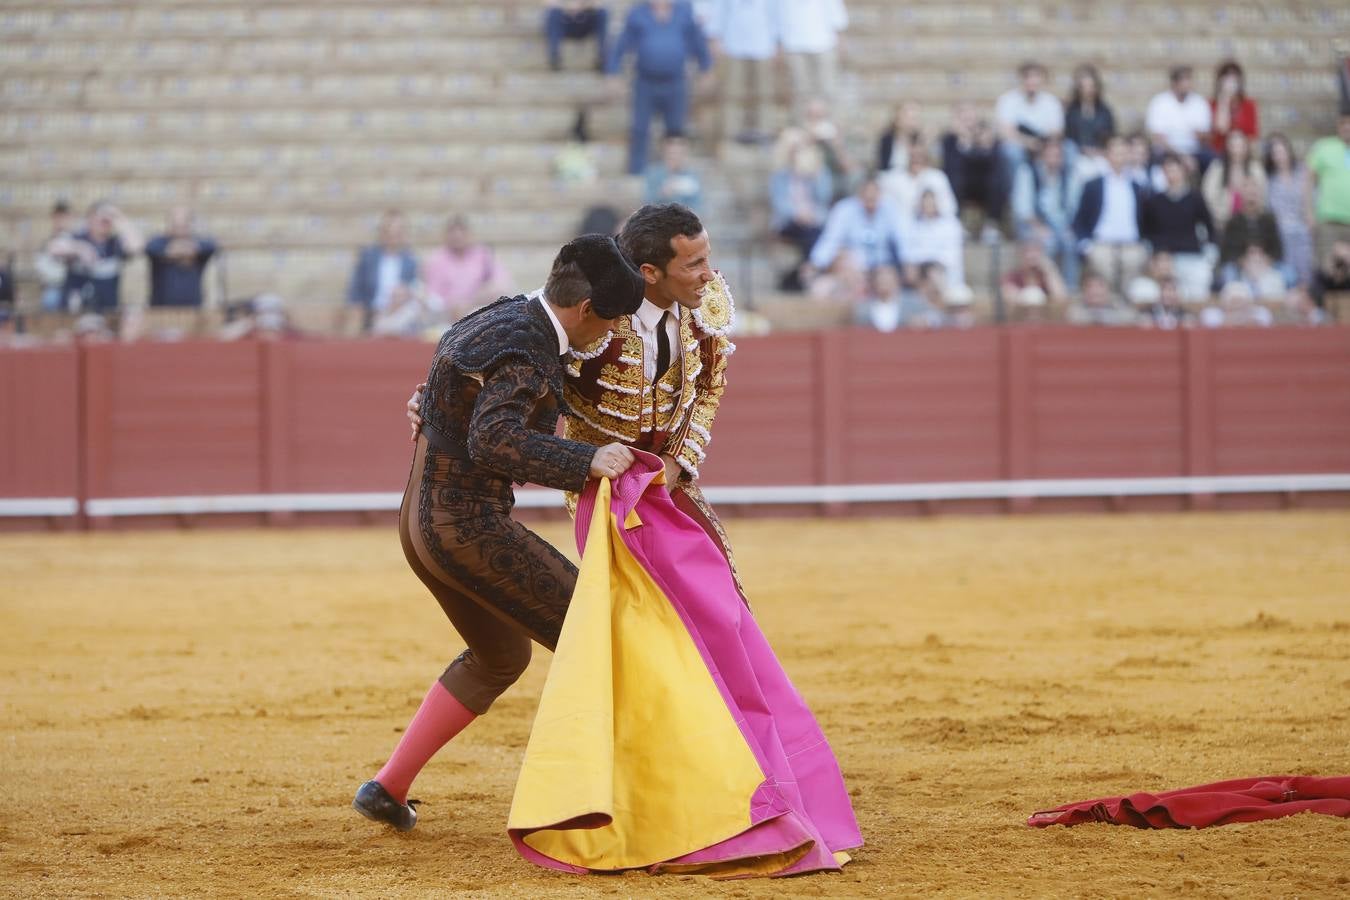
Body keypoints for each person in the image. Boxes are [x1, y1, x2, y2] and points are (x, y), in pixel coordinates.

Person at [353, 235, 647, 831]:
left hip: (420, 522)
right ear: (586, 309)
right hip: (466, 524)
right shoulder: (529, 347)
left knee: (500, 656)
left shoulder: (501, 313)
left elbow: (445, 373)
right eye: (612, 320)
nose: (613, 335)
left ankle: (388, 787)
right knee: (601, 633)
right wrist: (585, 459)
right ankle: (596, 802)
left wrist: (426, 401)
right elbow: (495, 440)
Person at [606, 0, 712, 175]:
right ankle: (637, 174)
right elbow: (622, 43)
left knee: (676, 130)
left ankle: (676, 175)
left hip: (675, 81)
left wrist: (706, 68)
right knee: (640, 129)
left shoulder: (684, 12)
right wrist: (613, 71)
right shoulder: (638, 13)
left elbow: (697, 41)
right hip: (645, 81)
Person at [805, 175, 905, 298]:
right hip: (854, 267)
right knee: (825, 285)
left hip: (882, 265)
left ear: (880, 194)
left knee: (887, 279)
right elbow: (831, 239)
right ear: (859, 194)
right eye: (866, 194)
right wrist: (816, 263)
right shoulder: (844, 209)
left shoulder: (890, 209)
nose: (870, 198)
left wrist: (908, 263)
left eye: (873, 194)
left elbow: (903, 239)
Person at [1072, 136, 1148, 295]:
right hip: (1101, 244)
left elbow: (1147, 219)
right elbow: (1080, 218)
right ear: (1107, 155)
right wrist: (1086, 245)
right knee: (1104, 284)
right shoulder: (1093, 185)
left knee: (1132, 287)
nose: (1120, 157)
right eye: (1116, 152)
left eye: (1123, 152)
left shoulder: (1138, 186)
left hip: (1131, 245)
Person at [1142, 152, 1217, 301]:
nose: (1171, 175)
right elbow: (1147, 231)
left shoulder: (1195, 198)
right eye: (1167, 170)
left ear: (1183, 171)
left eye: (1175, 170)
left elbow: (1209, 227)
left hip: (1191, 255)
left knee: (1199, 288)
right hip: (1164, 259)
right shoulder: (1154, 201)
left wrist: (1210, 250)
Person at [1011, 136, 1083, 288]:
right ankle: (1044, 288)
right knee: (1046, 243)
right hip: (1033, 224)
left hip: (1061, 224)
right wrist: (1039, 227)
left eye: (1057, 156)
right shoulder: (1028, 172)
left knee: (1071, 243)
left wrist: (1068, 227)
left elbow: (1074, 206)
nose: (1054, 159)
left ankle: (1070, 289)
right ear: (1042, 156)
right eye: (1050, 155)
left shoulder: (1069, 174)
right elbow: (1023, 209)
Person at [704, 0, 777, 144]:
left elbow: (774, 14)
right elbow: (720, 11)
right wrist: (715, 38)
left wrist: (777, 42)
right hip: (734, 46)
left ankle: (764, 134)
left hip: (763, 45)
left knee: (764, 95)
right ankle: (731, 135)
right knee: (732, 94)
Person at [770, 135, 833, 287]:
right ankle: (808, 274)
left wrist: (816, 174)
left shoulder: (816, 172)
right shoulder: (780, 176)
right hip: (789, 223)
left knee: (813, 234)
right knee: (812, 235)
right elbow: (779, 203)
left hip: (814, 221)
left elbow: (825, 196)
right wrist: (797, 214)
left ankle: (798, 277)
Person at [421, 216, 511, 324]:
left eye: (461, 233)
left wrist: (471, 302)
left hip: (478, 308)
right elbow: (433, 296)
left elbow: (501, 284)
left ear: (469, 235)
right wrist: (452, 307)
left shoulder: (483, 254)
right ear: (446, 236)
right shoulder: (437, 259)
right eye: (453, 234)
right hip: (447, 315)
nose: (458, 237)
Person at [63, 201, 144, 314]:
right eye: (100, 217)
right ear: (90, 218)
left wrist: (119, 218)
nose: (104, 222)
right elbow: (54, 248)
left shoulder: (115, 243)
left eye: (107, 220)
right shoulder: (77, 238)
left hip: (107, 311)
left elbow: (137, 247)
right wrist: (79, 248)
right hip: (76, 311)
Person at [940, 103, 1007, 235]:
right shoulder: (950, 140)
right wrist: (963, 144)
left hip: (984, 184)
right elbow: (949, 166)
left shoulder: (988, 137)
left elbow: (992, 162)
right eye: (964, 118)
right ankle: (956, 223)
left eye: (971, 117)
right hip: (961, 185)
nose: (968, 123)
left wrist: (983, 147)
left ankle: (991, 225)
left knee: (997, 179)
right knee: (954, 179)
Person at [346, 210, 418, 331]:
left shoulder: (410, 261)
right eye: (389, 229)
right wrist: (359, 309)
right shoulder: (368, 257)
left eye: (397, 230)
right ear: (382, 232)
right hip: (372, 312)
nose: (393, 234)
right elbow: (355, 291)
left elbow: (413, 290)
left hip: (399, 313)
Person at [1218, 180, 1289, 300]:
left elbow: (1278, 249)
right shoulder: (1233, 221)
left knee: (1290, 275)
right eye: (1248, 194)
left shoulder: (1269, 219)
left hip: (1266, 262)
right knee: (1228, 274)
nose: (1251, 198)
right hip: (1240, 264)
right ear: (1242, 197)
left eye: (1254, 194)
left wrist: (1265, 261)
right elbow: (1226, 251)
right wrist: (1244, 262)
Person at [778, 0, 848, 115]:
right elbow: (779, 16)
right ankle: (801, 127)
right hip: (794, 45)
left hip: (825, 44)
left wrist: (841, 41)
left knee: (828, 89)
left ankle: (830, 127)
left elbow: (837, 14)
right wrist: (779, 45)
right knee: (800, 91)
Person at [1264, 133, 1316, 287]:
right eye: (1275, 153)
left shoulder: (1302, 172)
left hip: (1302, 227)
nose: (1280, 156)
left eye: (1282, 151)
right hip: (1281, 230)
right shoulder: (1269, 179)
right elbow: (1269, 207)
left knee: (1306, 268)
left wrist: (1310, 217)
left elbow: (1312, 197)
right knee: (1286, 269)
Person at [1307, 113, 1350, 290]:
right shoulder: (1325, 147)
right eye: (1344, 123)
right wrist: (1309, 212)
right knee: (1327, 268)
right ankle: (1325, 313)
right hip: (1329, 221)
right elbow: (1309, 182)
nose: (1347, 127)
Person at [144, 207, 218, 308]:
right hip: (161, 311)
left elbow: (211, 246)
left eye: (183, 224)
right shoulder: (158, 242)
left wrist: (172, 252)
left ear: (190, 224)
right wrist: (185, 251)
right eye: (176, 224)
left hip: (193, 311)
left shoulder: (200, 242)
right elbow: (150, 248)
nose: (179, 228)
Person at [995, 61, 1065, 167]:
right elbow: (1006, 132)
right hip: (1019, 146)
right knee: (1011, 152)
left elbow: (1056, 132)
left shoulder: (1051, 102)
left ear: (1042, 79)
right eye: (1027, 76)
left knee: (1068, 151)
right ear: (1021, 79)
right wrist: (1029, 143)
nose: (1032, 81)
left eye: (1036, 76)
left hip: (1045, 145)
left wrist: (1042, 145)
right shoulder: (1007, 100)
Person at [1201, 129, 1266, 231]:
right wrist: (1221, 215)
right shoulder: (1217, 167)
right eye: (1233, 144)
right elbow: (1208, 194)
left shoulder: (1255, 168)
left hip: (1251, 222)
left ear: (1246, 146)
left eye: (1240, 145)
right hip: (1223, 222)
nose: (1236, 149)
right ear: (1227, 146)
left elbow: (1262, 193)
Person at [1146, 66, 1213, 164]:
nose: (1187, 84)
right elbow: (1158, 137)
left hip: (1194, 151)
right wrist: (1180, 157)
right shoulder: (1159, 102)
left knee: (1212, 159)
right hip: (1167, 151)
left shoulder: (1199, 102)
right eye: (1183, 80)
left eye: (1189, 80)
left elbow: (1204, 134)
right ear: (1174, 83)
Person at [900, 189, 965, 289]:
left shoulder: (950, 225)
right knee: (910, 272)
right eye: (925, 203)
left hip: (942, 268)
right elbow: (908, 252)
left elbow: (951, 255)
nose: (928, 206)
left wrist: (931, 262)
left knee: (933, 273)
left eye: (930, 203)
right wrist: (923, 262)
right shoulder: (913, 225)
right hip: (919, 267)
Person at [879, 139, 958, 221]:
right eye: (912, 156)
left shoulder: (937, 177)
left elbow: (950, 208)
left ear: (926, 156)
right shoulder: (894, 178)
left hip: (930, 226)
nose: (916, 159)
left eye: (920, 155)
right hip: (901, 227)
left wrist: (933, 209)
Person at [1208, 60, 1259, 155]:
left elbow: (1252, 136)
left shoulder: (1249, 104)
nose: (1231, 81)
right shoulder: (1212, 104)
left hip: (1242, 154)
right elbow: (1221, 129)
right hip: (1219, 152)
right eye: (1226, 76)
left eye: (1234, 77)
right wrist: (1224, 99)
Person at [1063, 64, 1115, 157]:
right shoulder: (1071, 111)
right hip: (1076, 154)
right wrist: (1082, 149)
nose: (1088, 90)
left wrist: (1098, 151)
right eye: (1084, 86)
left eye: (1091, 86)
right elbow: (1068, 136)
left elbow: (1109, 135)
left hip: (1100, 154)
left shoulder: (1104, 111)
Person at [34, 200, 76, 312]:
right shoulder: (46, 243)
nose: (61, 220)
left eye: (64, 217)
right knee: (50, 298)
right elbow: (42, 269)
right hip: (55, 287)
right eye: (58, 217)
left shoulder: (76, 240)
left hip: (74, 288)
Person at [1001, 239, 1069, 308]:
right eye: (1027, 252)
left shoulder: (1046, 276)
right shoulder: (1011, 277)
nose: (1030, 256)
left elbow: (1061, 297)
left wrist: (1049, 270)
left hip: (1046, 315)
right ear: (1020, 255)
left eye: (1035, 252)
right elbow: (1010, 297)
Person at [544, 2, 610, 71]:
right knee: (553, 13)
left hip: (586, 19)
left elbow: (602, 4)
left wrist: (583, 6)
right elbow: (548, 3)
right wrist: (567, 7)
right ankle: (554, 57)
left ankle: (602, 57)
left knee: (602, 12)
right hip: (565, 20)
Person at [643, 134, 704, 210]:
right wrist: (662, 194)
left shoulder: (691, 176)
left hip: (684, 219)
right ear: (664, 152)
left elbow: (699, 205)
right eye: (672, 153)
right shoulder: (653, 173)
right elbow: (646, 203)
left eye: (679, 153)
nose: (675, 157)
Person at [1066, 271, 1137, 326]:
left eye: (1100, 286)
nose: (1095, 291)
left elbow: (1130, 317)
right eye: (1090, 286)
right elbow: (1074, 318)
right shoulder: (1075, 309)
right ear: (1083, 291)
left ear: (1108, 290)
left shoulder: (1119, 306)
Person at [877, 100, 923, 172]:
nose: (912, 121)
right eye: (908, 118)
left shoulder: (918, 138)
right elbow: (882, 164)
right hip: (892, 175)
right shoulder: (887, 138)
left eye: (914, 118)